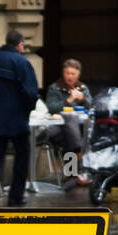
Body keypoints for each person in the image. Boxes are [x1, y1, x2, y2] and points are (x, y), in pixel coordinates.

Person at [0, 29, 39, 206]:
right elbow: (31, 92)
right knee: (22, 156)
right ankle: (16, 196)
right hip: (17, 120)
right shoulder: (22, 62)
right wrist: (27, 110)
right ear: (20, 44)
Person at [44, 58, 93, 187]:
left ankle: (71, 175)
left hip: (78, 129)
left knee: (73, 135)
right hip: (56, 128)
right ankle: (79, 171)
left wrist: (82, 98)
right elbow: (52, 108)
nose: (70, 76)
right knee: (71, 129)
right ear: (63, 73)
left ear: (78, 75)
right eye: (67, 73)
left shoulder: (83, 88)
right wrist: (69, 100)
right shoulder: (55, 88)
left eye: (73, 74)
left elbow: (92, 106)